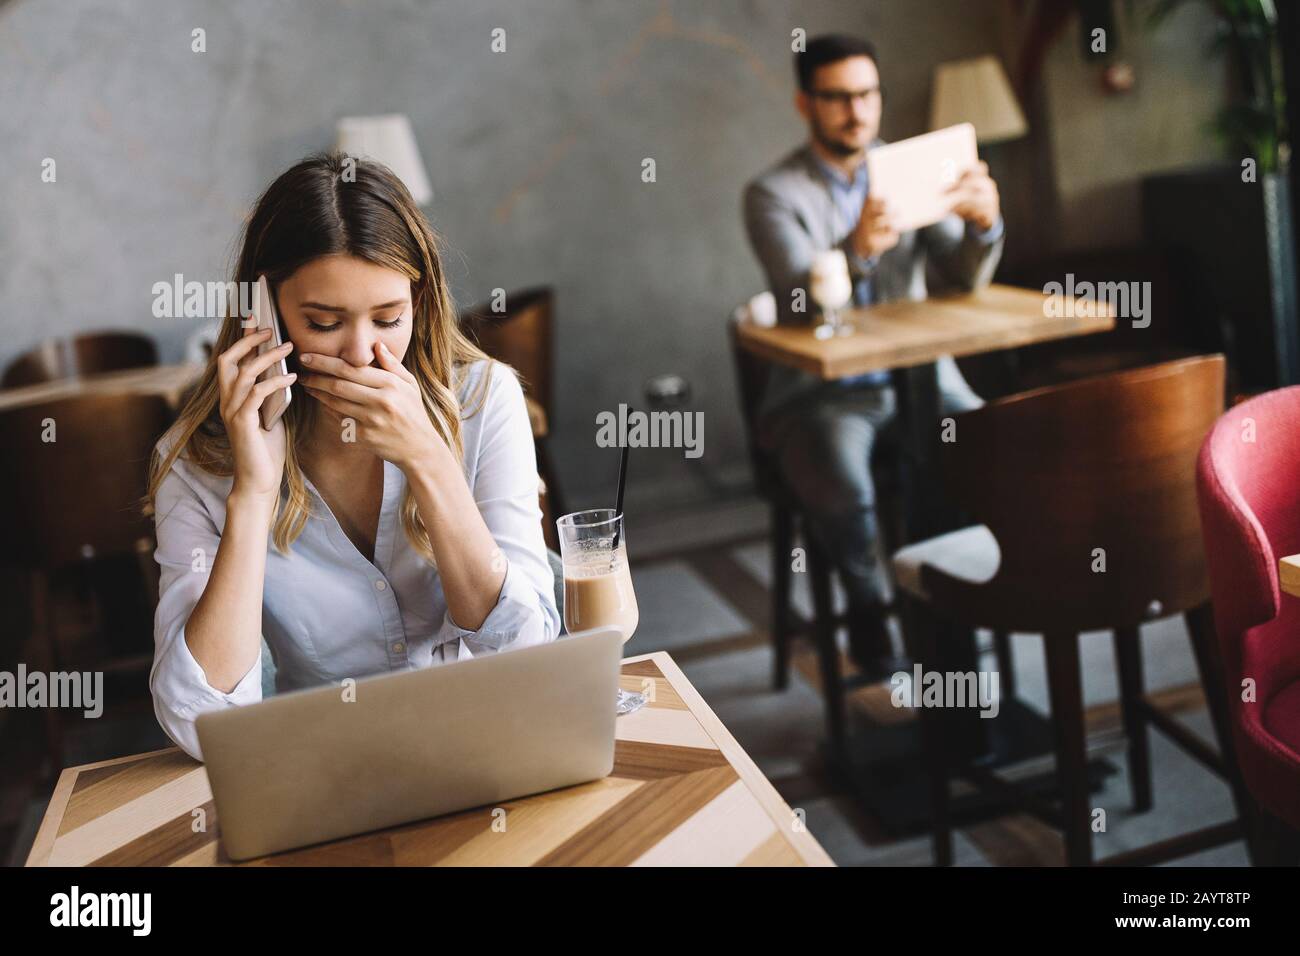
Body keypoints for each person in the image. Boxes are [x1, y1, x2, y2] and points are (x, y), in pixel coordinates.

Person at [146, 153, 560, 760]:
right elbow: (197, 724)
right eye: (323, 322)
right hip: (326, 766)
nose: (363, 354)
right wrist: (254, 495)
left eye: (389, 319)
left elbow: (530, 657)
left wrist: (430, 460)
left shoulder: (484, 399)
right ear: (263, 310)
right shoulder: (195, 462)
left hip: (488, 744)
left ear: (418, 305)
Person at [742, 34, 1004, 677]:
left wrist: (985, 223)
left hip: (922, 375)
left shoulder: (907, 167)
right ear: (806, 104)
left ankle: (968, 600)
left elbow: (959, 277)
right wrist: (855, 250)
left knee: (998, 440)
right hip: (825, 391)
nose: (856, 112)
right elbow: (799, 303)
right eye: (836, 98)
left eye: (866, 95)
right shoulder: (773, 193)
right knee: (844, 478)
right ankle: (868, 603)